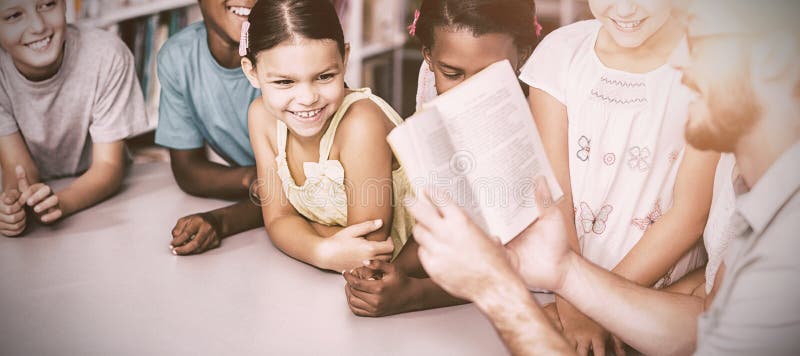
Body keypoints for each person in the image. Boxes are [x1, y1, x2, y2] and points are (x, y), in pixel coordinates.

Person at [409, 0, 800, 354]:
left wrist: (501, 292)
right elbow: (701, 326)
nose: (679, 58)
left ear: (774, 58)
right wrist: (565, 276)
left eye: (699, 36)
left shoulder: (786, 249)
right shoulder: (755, 212)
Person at [520, 0, 720, 351]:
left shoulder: (708, 68)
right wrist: (574, 303)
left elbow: (690, 214)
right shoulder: (561, 54)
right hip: (565, 298)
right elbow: (555, 195)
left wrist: (593, 304)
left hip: (659, 303)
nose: (625, 9)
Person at [343, 0, 542, 317]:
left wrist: (416, 294)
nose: (469, 93)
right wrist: (391, 271)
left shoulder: (541, 118)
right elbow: (445, 201)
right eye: (451, 74)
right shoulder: (431, 94)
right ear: (429, 59)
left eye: (489, 75)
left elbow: (524, 260)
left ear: (523, 55)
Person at [242, 0, 411, 273]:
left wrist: (300, 232)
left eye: (323, 76)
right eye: (285, 82)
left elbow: (368, 251)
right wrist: (319, 251)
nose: (308, 98)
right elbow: (277, 219)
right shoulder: (261, 117)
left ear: (344, 59)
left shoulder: (360, 124)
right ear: (252, 72)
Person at [0, 0, 149, 236]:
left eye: (48, 4)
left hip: (98, 199)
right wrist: (13, 203)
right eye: (13, 16)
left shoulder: (108, 55)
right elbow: (17, 170)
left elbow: (108, 165)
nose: (38, 26)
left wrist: (60, 202)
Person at [155, 0, 263, 255]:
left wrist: (221, 220)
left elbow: (306, 187)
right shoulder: (178, 57)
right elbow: (188, 170)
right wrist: (252, 179)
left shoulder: (292, 52)